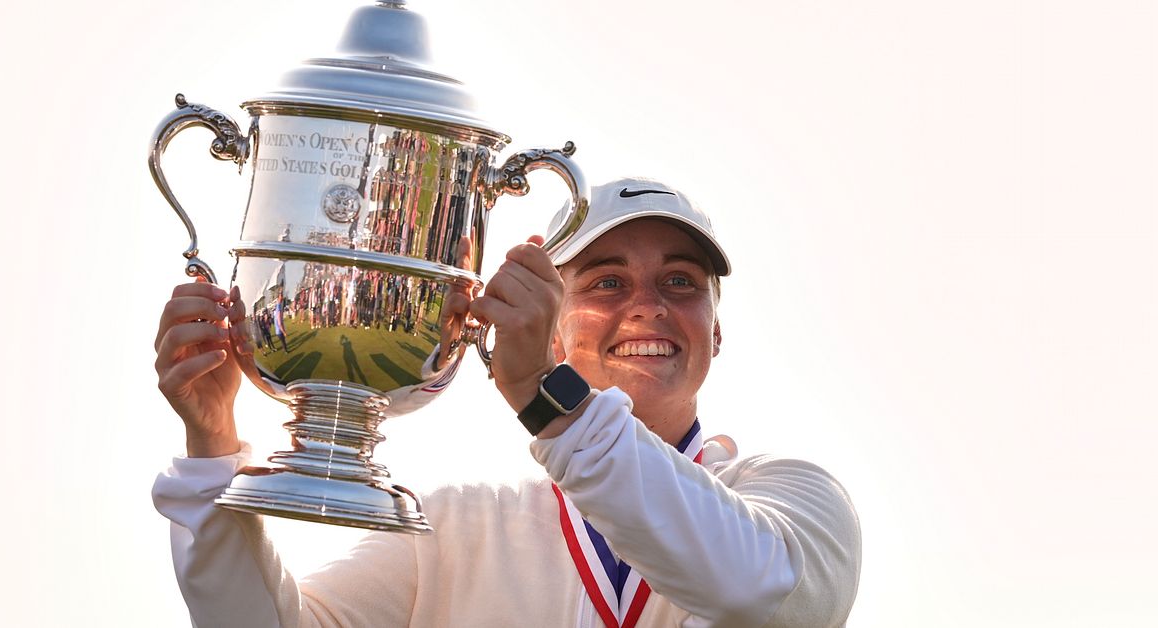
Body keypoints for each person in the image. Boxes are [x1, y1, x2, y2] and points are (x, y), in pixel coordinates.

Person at [152, 176, 862, 627]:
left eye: (680, 282)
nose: (648, 306)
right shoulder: (453, 530)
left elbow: (753, 591)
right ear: (551, 324)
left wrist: (547, 399)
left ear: (716, 329)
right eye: (607, 283)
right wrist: (212, 448)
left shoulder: (795, 499)